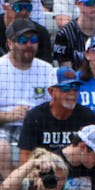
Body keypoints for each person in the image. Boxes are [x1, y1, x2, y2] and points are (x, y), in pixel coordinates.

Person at [0, 19, 57, 176]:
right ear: (10, 43)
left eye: (33, 40)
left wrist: (35, 117)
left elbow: (55, 106)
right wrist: (9, 116)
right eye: (23, 40)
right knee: (1, 150)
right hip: (4, 126)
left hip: (38, 126)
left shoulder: (47, 70)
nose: (29, 45)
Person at [17, 67, 95, 160]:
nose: (72, 92)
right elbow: (25, 156)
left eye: (76, 87)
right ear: (51, 92)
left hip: (78, 172)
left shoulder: (88, 117)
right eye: (66, 87)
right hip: (44, 170)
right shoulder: (35, 117)